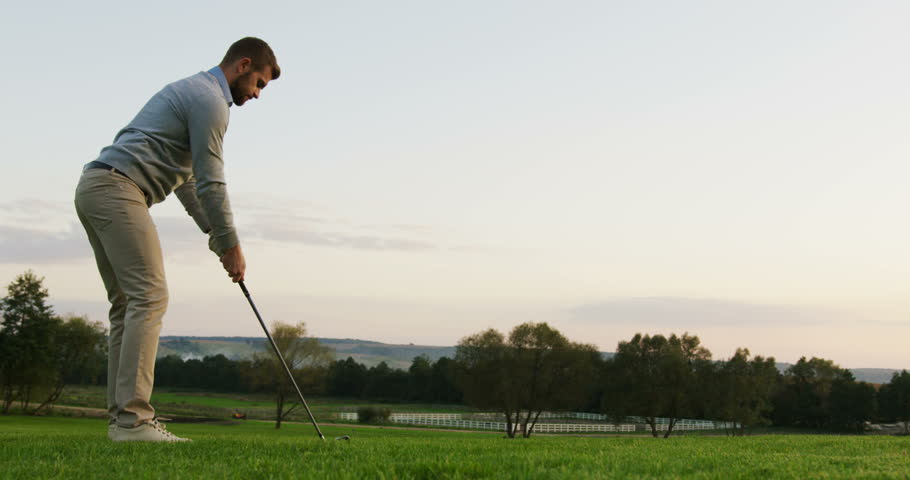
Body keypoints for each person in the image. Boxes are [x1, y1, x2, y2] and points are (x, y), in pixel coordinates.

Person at [74, 37, 279, 442]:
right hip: (118, 189)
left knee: (127, 305)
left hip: (96, 186)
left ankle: (122, 420)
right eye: (259, 83)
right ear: (242, 65)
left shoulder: (195, 91)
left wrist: (217, 240)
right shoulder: (211, 102)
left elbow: (186, 183)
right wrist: (232, 243)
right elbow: (211, 180)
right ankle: (134, 421)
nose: (256, 95)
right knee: (150, 297)